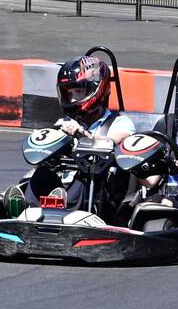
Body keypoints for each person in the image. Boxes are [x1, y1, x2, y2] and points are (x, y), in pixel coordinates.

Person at [23, 55, 135, 210]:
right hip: (64, 183)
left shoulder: (121, 123)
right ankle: (26, 207)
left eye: (78, 91)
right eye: (69, 94)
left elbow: (112, 144)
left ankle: (63, 206)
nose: (73, 99)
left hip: (100, 191)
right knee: (42, 172)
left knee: (87, 173)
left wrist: (82, 135)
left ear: (97, 89)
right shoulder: (64, 123)